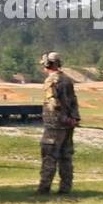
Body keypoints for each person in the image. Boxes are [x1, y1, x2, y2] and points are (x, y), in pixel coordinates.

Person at [37, 51, 80, 195]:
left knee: (49, 156)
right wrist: (73, 119)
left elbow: (53, 103)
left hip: (54, 125)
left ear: (48, 64)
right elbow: (74, 101)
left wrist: (62, 118)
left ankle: (44, 189)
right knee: (66, 157)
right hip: (68, 125)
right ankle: (65, 188)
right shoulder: (67, 79)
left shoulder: (51, 81)